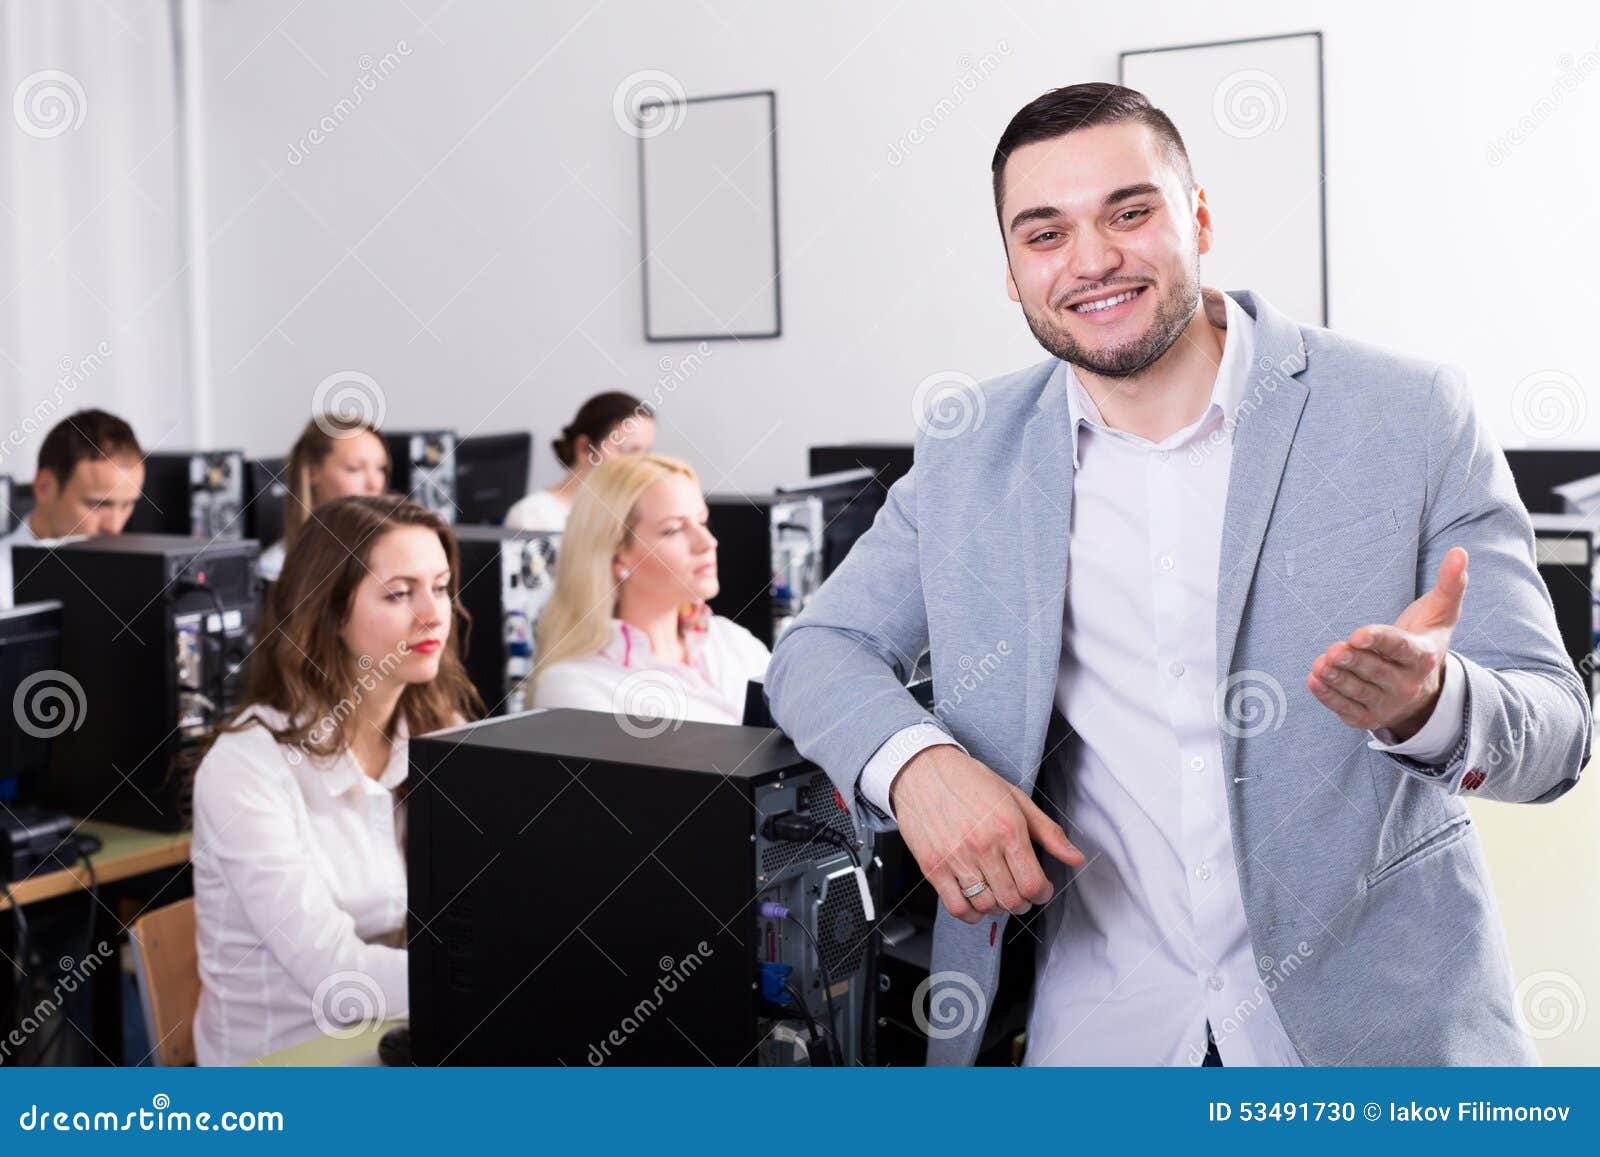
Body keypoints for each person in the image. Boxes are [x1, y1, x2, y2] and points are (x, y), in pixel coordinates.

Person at [765, 83, 1589, 1068]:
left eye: (1129, 211)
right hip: (1097, 1033)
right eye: (1044, 233)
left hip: (1377, 1038)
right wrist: (918, 766)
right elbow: (817, 648)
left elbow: (1555, 733)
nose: (1092, 259)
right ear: (1011, 271)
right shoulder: (970, 450)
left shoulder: (1407, 413)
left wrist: (1431, 706)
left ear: (1196, 214)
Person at [190, 495, 482, 1065]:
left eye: (441, 587)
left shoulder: (440, 732)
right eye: (399, 593)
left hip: (400, 1040)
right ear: (329, 611)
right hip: (280, 1072)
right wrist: (488, 978)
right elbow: (337, 978)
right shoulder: (246, 768)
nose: (433, 614)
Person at [531, 453, 768, 724]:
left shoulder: (733, 641)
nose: (707, 542)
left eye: (702, 522)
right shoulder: (572, 686)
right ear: (617, 555)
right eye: (673, 530)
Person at [0, 409, 144, 609]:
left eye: (127, 504)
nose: (114, 527)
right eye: (99, 505)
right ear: (45, 487)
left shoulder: (134, 579)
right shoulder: (4, 586)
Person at [257, 416, 390, 582]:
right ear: (313, 473)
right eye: (354, 469)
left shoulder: (395, 556)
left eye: (380, 468)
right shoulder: (276, 569)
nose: (374, 484)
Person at [505, 392, 655, 532]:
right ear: (584, 448)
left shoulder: (632, 514)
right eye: (628, 450)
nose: (640, 464)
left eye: (646, 453)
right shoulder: (532, 516)